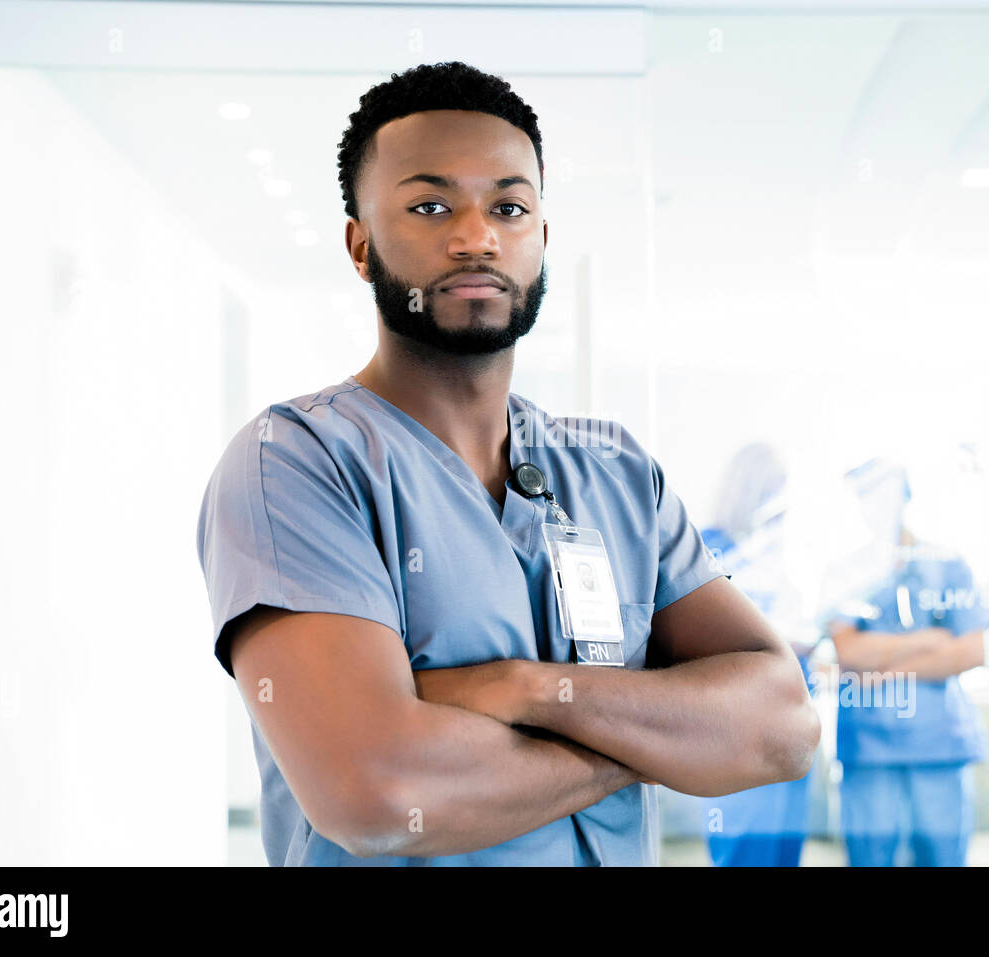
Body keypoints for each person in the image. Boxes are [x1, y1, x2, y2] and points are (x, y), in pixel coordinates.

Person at [195, 61, 819, 866]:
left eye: (509, 207)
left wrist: (525, 688)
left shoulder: (617, 472)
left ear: (542, 238)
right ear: (361, 244)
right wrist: (663, 737)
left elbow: (783, 725)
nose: (476, 236)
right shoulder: (297, 465)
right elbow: (379, 792)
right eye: (429, 205)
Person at [819, 458, 989, 867]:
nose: (876, 503)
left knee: (941, 859)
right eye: (866, 494)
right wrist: (929, 639)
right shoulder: (845, 573)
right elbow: (850, 653)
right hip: (868, 747)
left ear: (906, 495)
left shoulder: (948, 565)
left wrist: (882, 671)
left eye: (884, 491)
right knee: (870, 860)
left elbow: (971, 652)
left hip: (937, 744)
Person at [698, 444, 818, 867]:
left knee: (784, 845)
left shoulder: (778, 555)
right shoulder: (708, 549)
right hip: (740, 723)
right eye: (774, 490)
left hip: (789, 718)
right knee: (745, 846)